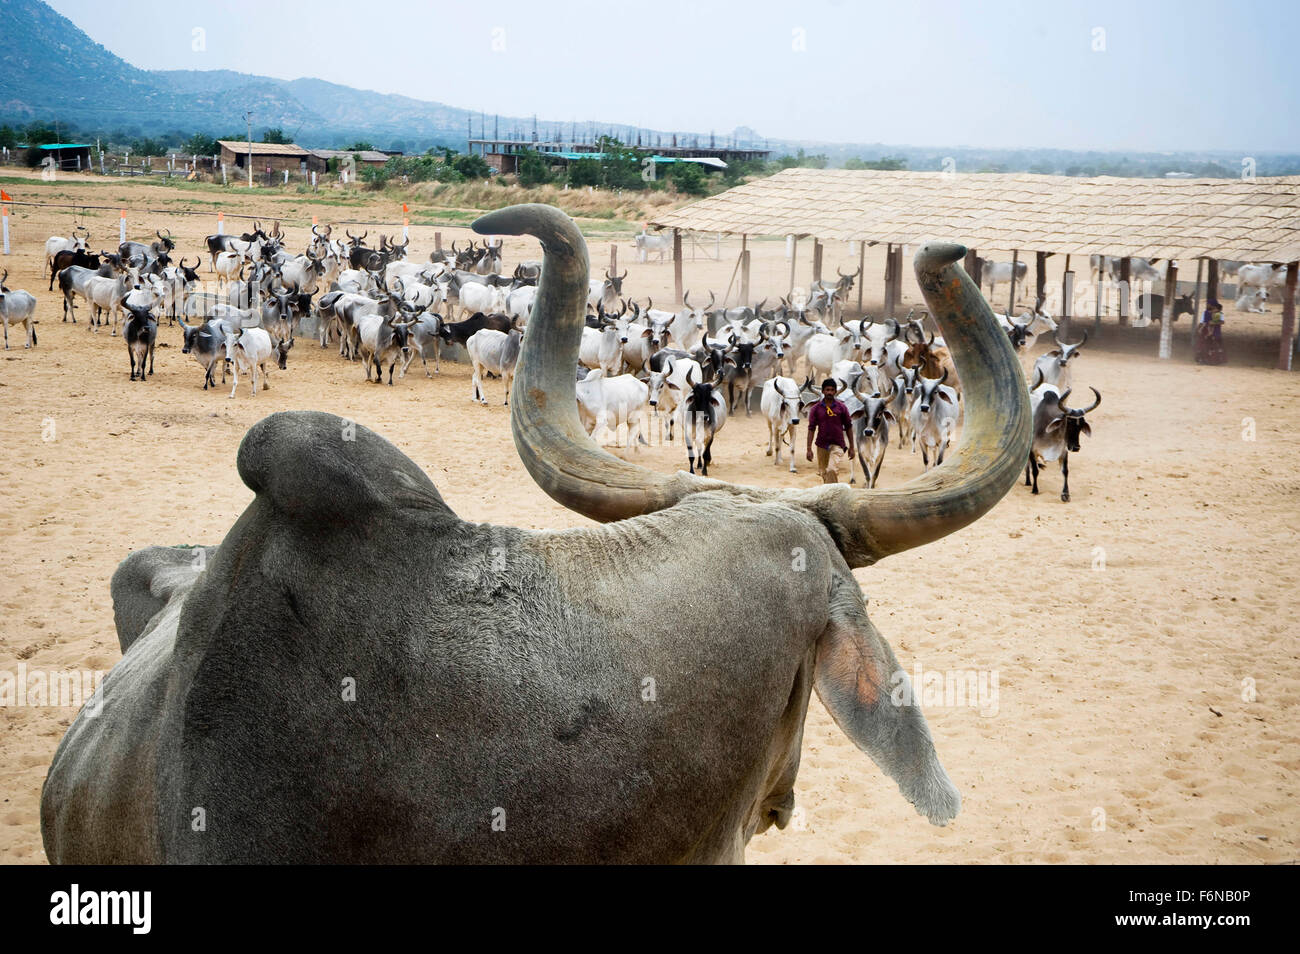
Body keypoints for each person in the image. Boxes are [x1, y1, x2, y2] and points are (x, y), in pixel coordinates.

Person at [805, 379, 854, 484]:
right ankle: (831, 494)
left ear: (835, 391)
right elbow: (811, 429)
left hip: (838, 445)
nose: (829, 392)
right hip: (821, 445)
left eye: (832, 390)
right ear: (823, 391)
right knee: (824, 473)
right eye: (827, 390)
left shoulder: (842, 408)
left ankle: (833, 495)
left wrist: (852, 447)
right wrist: (809, 449)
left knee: (831, 469)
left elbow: (849, 427)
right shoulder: (815, 409)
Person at [1195, 298, 1227, 365]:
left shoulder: (1219, 314)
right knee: (1204, 345)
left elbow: (1222, 322)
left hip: (1216, 332)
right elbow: (1202, 322)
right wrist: (1198, 329)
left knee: (1215, 346)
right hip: (1205, 331)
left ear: (1213, 305)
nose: (1207, 305)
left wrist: (1214, 323)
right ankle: (1202, 360)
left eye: (1208, 304)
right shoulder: (1205, 313)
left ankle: (1216, 361)